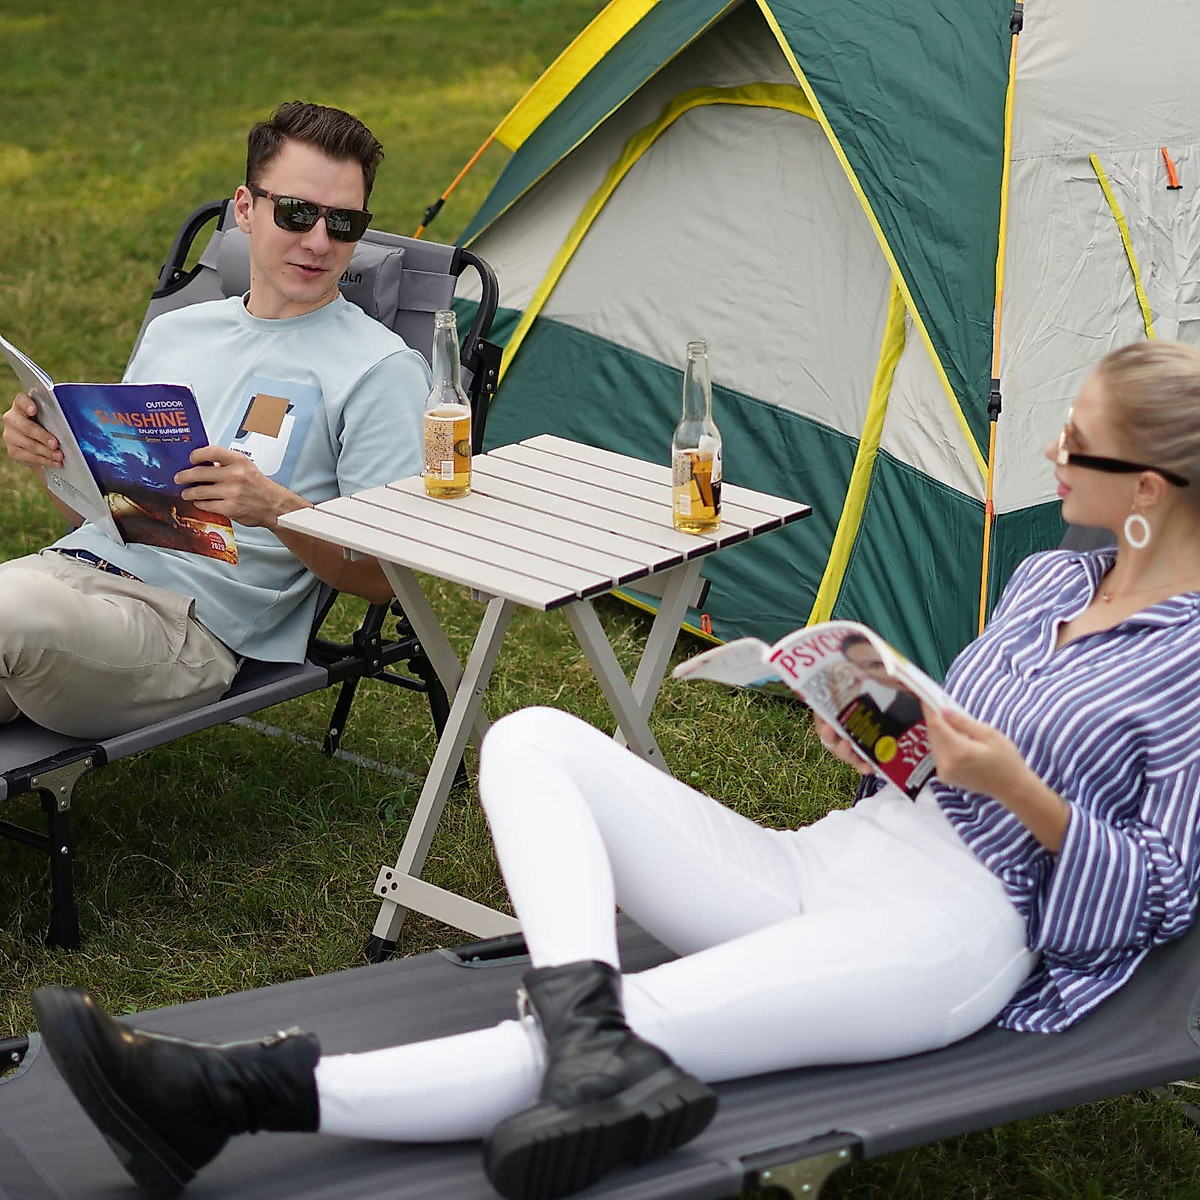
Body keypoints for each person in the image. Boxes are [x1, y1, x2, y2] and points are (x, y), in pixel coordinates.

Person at [33, 340, 1200, 1200]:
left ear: (1148, 489)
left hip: (956, 925)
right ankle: (586, 1035)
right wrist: (876, 737)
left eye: (1076, 440)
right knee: (531, 735)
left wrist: (1012, 786)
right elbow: (951, 745)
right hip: (834, 859)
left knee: (650, 1019)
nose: (1051, 454)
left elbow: (1156, 894)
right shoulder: (1051, 580)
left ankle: (230, 1098)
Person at [0, 101, 429, 739]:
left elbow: (384, 578)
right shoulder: (178, 332)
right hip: (68, 577)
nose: (319, 241)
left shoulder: (379, 369)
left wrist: (276, 509)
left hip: (184, 629)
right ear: (246, 209)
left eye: (344, 222)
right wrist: (50, 457)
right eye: (296, 213)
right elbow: (113, 511)